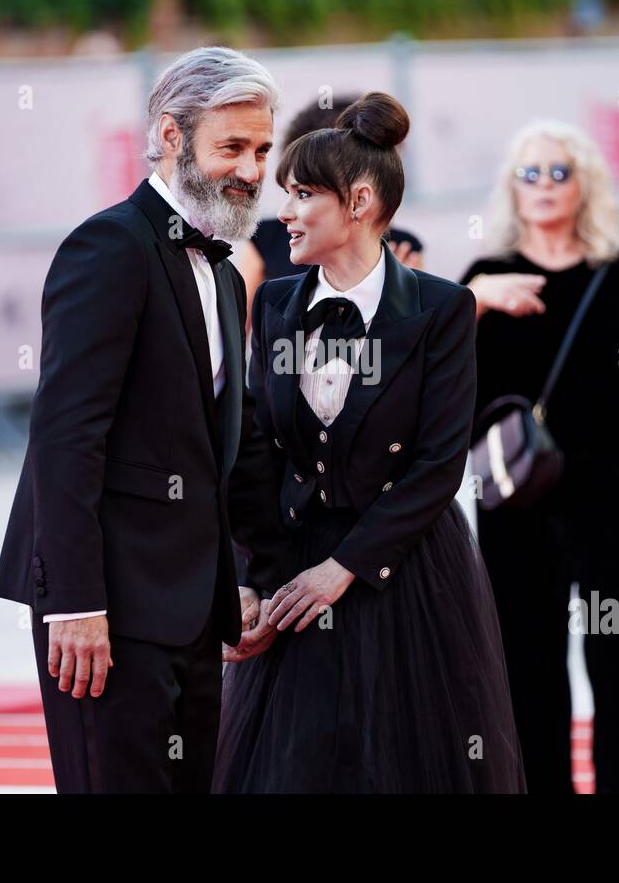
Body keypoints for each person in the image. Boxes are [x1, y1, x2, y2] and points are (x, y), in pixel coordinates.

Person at [0, 47, 291, 792]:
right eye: (231, 147)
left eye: (260, 150)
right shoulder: (109, 247)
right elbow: (66, 437)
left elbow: (234, 437)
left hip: (192, 608)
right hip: (108, 609)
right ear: (169, 134)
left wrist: (260, 572)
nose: (251, 170)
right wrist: (75, 603)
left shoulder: (224, 272)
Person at [213, 93, 525, 793]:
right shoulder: (275, 304)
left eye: (300, 196)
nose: (283, 214)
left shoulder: (440, 309)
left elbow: (438, 466)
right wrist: (250, 576)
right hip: (295, 573)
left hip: (406, 577)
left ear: (358, 202)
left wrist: (344, 567)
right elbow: (257, 448)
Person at [461, 121, 619, 793]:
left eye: (558, 172)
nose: (543, 186)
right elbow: (446, 390)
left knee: (618, 661)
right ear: (512, 191)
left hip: (618, 499)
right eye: (529, 173)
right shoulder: (485, 281)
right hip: (518, 504)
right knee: (529, 667)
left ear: (585, 185)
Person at [234, 93, 424, 323]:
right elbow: (238, 336)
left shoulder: (402, 248)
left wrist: (392, 293)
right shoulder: (266, 240)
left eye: (304, 193)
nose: (285, 214)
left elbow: (420, 334)